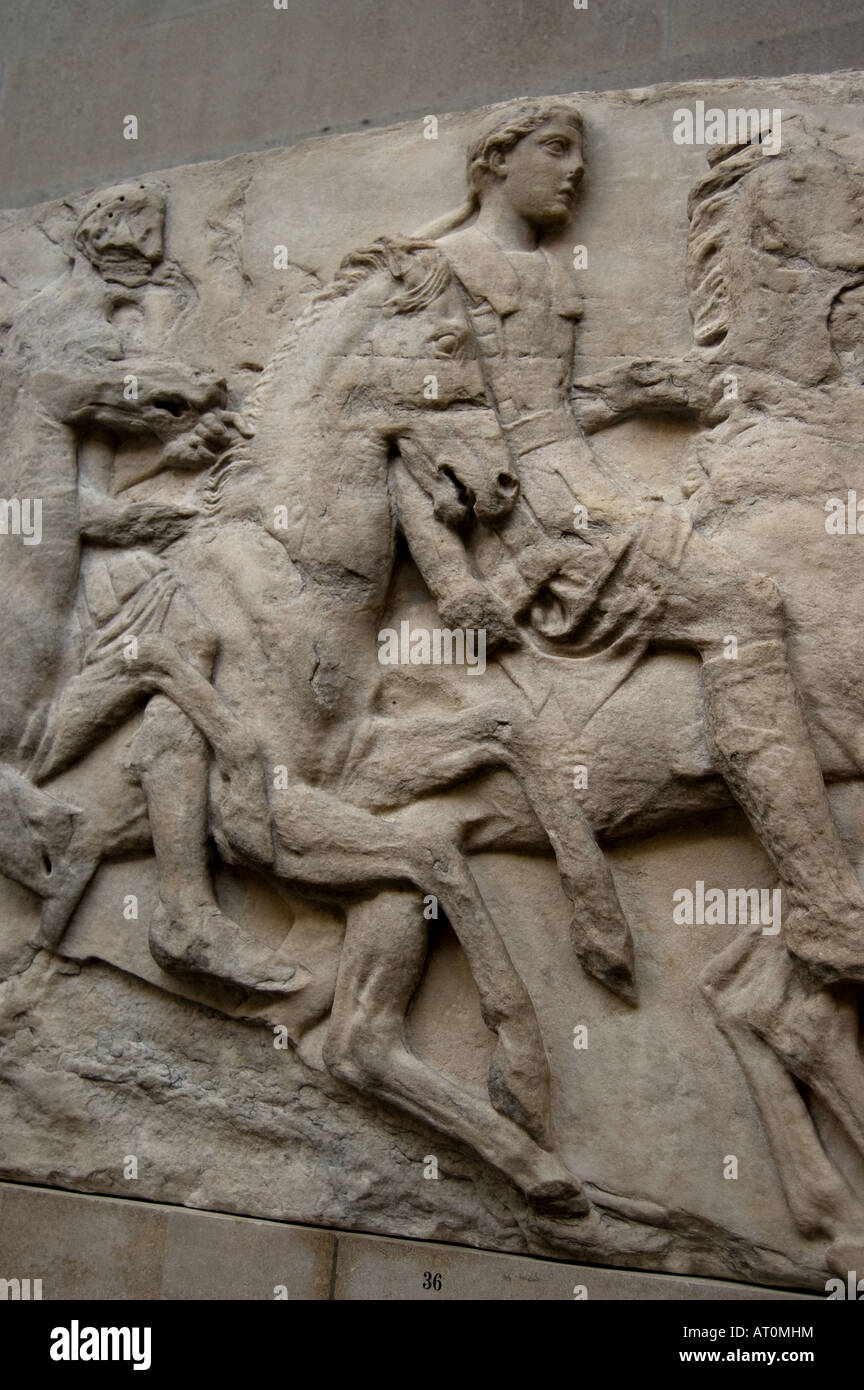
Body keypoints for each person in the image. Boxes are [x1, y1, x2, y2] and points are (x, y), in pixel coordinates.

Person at [407, 98, 864, 987]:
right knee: (743, 602)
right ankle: (823, 904)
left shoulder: (539, 269)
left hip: (588, 485)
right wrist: (451, 573)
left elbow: (545, 408)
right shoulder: (447, 268)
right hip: (528, 518)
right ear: (494, 160)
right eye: (555, 151)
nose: (575, 174)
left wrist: (636, 396)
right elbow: (409, 433)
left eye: (579, 155)